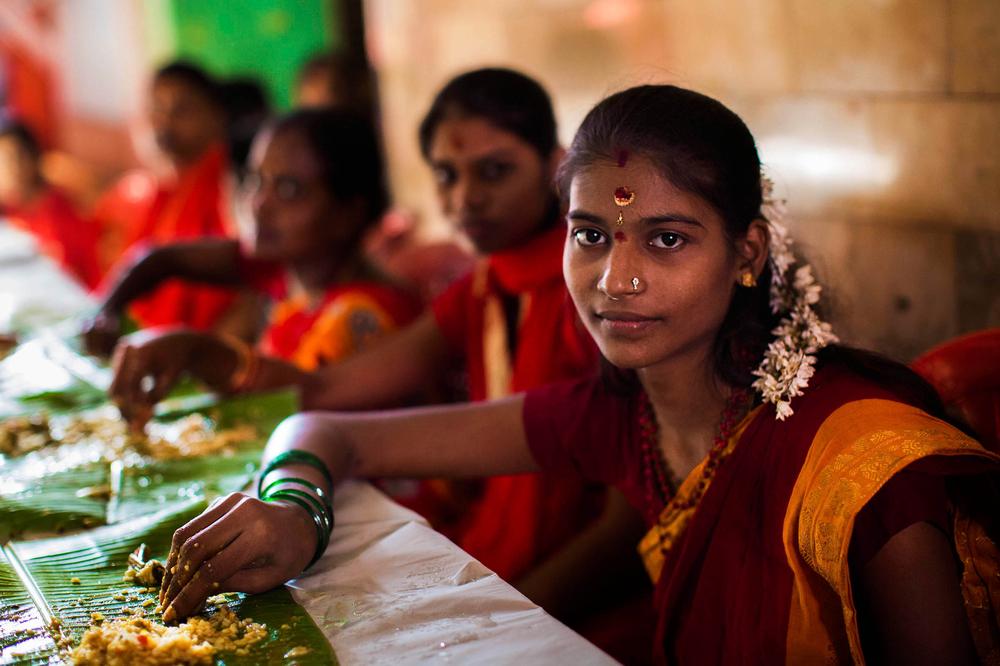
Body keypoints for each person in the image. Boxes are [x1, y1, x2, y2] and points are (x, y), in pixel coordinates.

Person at [155, 85, 1000, 665]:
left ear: (747, 254)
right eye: (591, 234)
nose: (613, 280)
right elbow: (322, 428)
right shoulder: (616, 412)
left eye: (666, 239)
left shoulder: (860, 463)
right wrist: (295, 508)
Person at [110, 69, 644, 619]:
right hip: (499, 565)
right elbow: (325, 392)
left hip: (572, 601)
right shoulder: (482, 288)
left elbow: (625, 531)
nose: (466, 198)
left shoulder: (597, 300)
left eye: (494, 171)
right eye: (446, 175)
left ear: (557, 167)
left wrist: (509, 617)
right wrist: (202, 352)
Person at [87, 108, 419, 428]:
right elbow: (159, 259)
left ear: (347, 214)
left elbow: (301, 402)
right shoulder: (282, 268)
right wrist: (106, 311)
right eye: (257, 181)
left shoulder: (364, 313)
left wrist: (198, 352)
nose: (259, 204)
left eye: (289, 190)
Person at [91, 61, 237, 331]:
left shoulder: (231, 188)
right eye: (157, 109)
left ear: (216, 117)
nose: (165, 123)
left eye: (181, 110)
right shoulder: (159, 190)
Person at [0, 121, 101, 289]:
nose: (12, 169)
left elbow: (77, 271)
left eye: (18, 157)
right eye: (2, 163)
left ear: (34, 158)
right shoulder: (9, 213)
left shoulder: (59, 210)